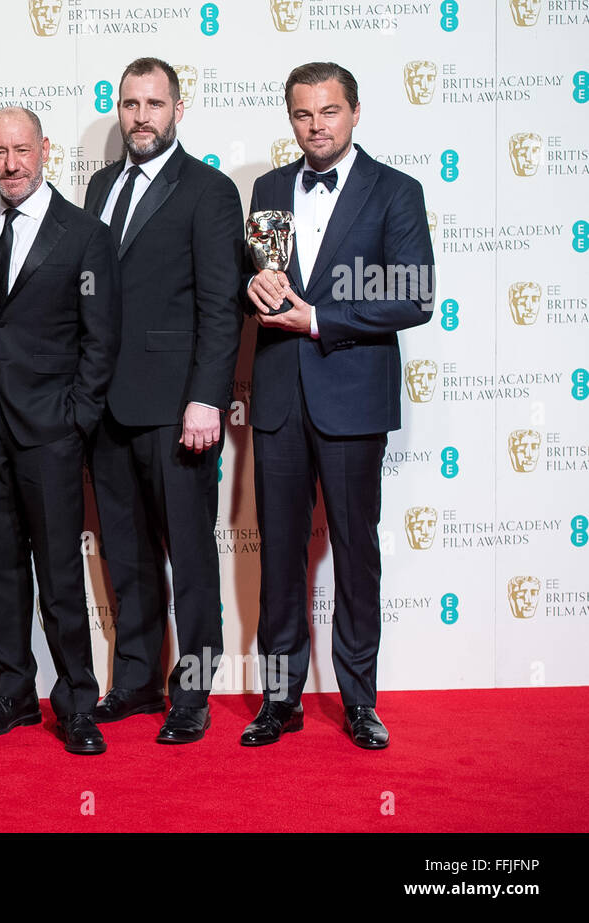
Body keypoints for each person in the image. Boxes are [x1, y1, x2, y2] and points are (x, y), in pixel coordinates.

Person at [242, 62, 433, 749]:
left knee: (356, 553)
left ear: (355, 112)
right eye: (302, 114)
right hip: (279, 398)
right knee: (279, 555)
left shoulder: (396, 191)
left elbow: (414, 296)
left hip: (351, 396)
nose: (315, 126)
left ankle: (359, 701)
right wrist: (256, 293)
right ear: (288, 118)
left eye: (328, 111)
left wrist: (319, 318)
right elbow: (258, 278)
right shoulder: (268, 188)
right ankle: (280, 698)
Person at [84, 58, 243, 744]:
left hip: (179, 408)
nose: (141, 116)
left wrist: (206, 397)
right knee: (126, 551)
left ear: (178, 109)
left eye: (154, 103)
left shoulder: (207, 191)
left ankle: (194, 692)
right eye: (130, 103)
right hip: (104, 408)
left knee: (191, 555)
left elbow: (220, 305)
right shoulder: (98, 186)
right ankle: (135, 679)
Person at [0, 107, 120, 755]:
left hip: (51, 432)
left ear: (44, 149)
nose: (11, 164)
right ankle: (12, 695)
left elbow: (101, 340)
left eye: (22, 149)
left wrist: (75, 420)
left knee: (58, 575)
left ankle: (77, 702)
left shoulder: (84, 235)